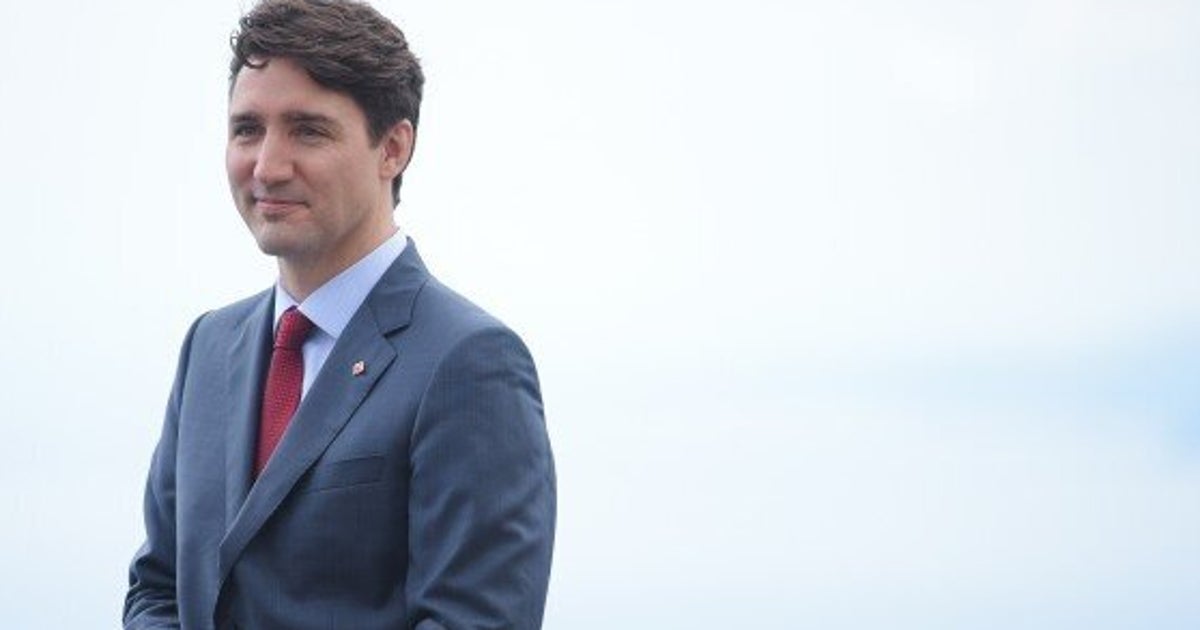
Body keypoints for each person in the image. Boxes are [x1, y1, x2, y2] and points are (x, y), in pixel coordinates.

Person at [123, 1, 556, 628]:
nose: (267, 166)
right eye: (247, 129)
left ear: (394, 148)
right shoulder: (209, 347)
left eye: (308, 130)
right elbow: (158, 589)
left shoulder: (469, 361)